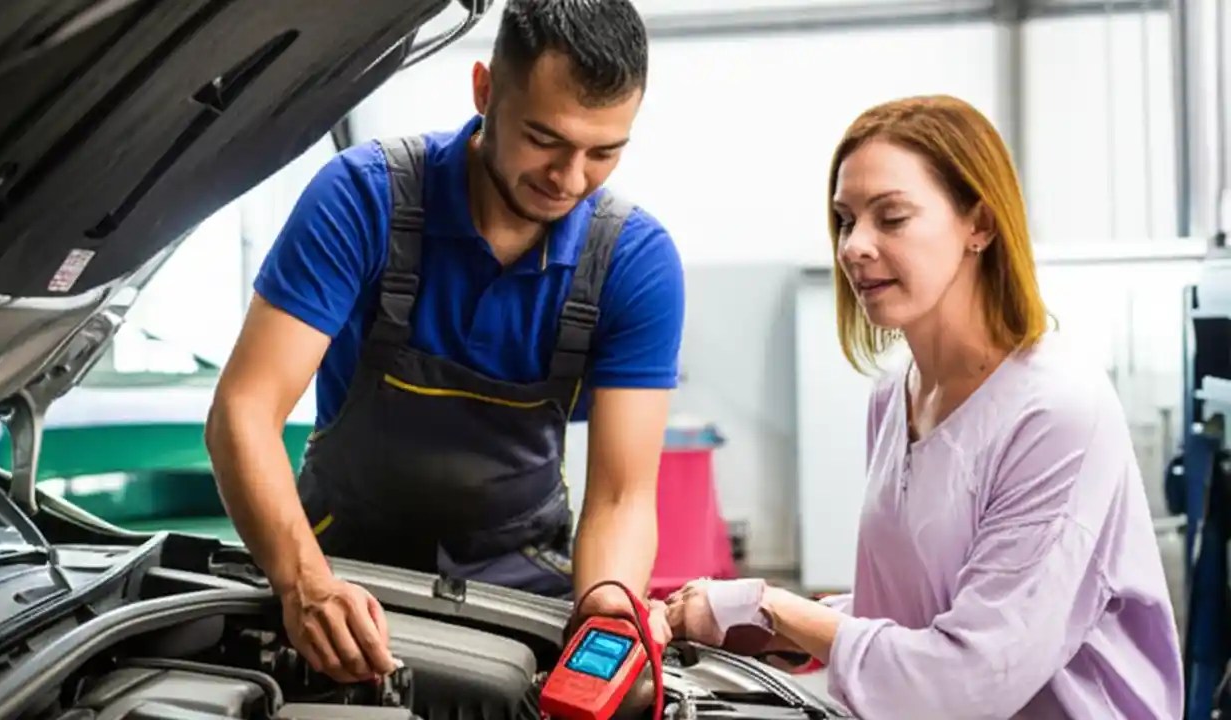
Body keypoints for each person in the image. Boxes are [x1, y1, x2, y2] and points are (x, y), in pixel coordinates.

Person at [205, 0, 681, 685]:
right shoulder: (364, 200)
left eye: (603, 152)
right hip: (337, 569)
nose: (570, 179)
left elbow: (621, 496)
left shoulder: (635, 262)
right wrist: (302, 584)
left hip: (522, 588)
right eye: (545, 139)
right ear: (485, 90)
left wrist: (607, 603)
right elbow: (242, 414)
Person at [664, 95, 1184, 719]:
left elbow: (970, 679)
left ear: (980, 225)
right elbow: (917, 613)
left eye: (891, 217)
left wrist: (770, 605)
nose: (854, 246)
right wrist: (752, 623)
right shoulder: (894, 394)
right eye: (844, 220)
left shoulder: (1055, 409)